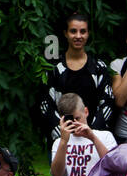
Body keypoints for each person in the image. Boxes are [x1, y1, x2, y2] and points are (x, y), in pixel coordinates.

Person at [36, 12, 115, 140]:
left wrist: (91, 132)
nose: (78, 36)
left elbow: (108, 102)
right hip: (61, 140)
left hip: (92, 140)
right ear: (65, 33)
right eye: (73, 31)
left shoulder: (98, 67)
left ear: (88, 34)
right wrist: (63, 133)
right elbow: (45, 104)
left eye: (83, 31)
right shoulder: (53, 68)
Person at [50, 93, 116, 176]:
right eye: (70, 121)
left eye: (77, 118)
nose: (75, 124)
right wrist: (63, 141)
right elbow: (57, 174)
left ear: (86, 112)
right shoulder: (59, 142)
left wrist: (92, 138)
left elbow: (112, 166)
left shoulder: (105, 136)